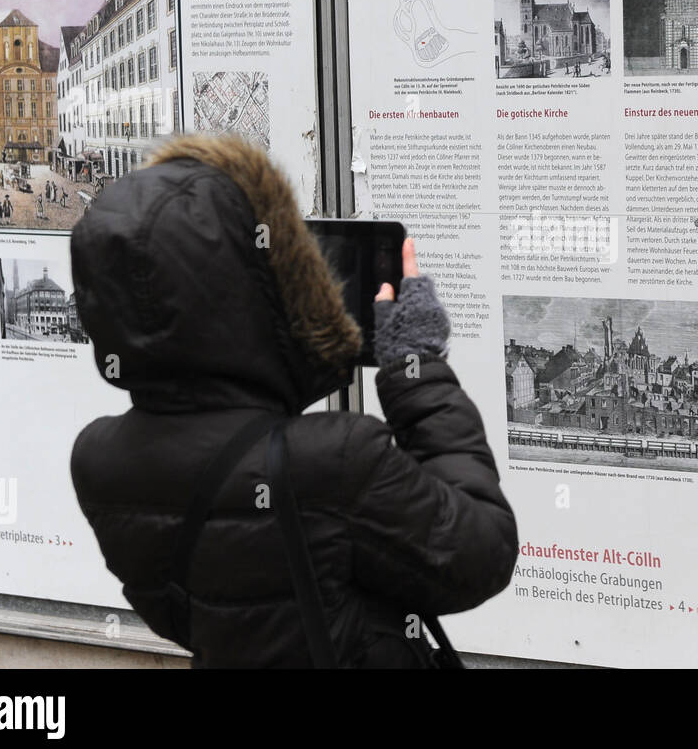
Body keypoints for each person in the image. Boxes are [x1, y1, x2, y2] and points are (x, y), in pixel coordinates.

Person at [68, 134, 516, 667]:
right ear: (264, 292)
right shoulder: (334, 462)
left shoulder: (99, 462)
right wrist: (415, 368)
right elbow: (481, 551)